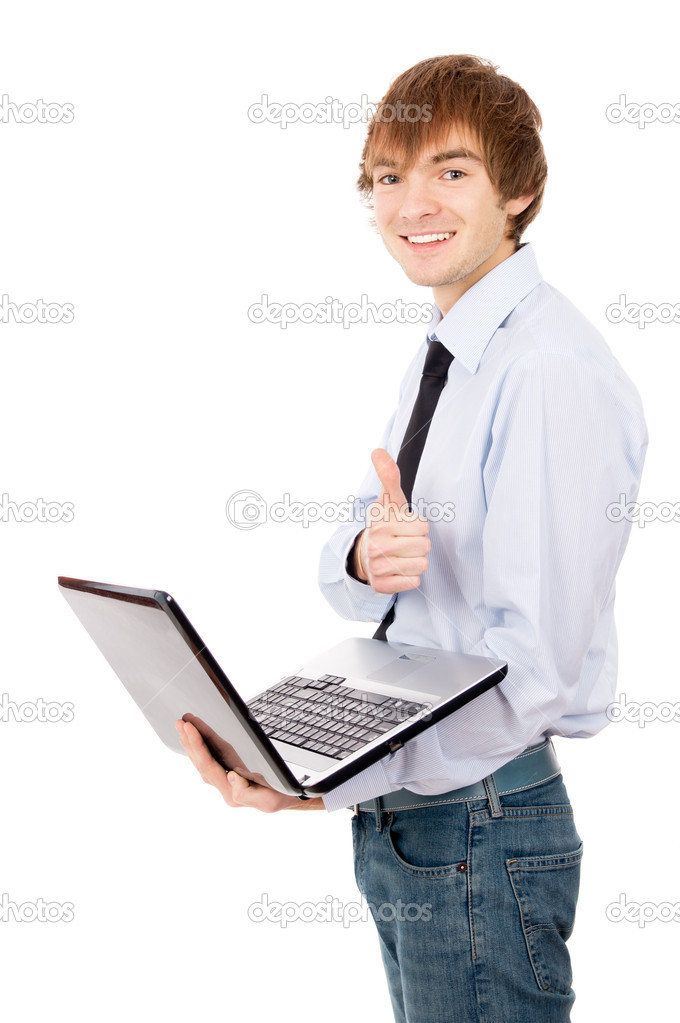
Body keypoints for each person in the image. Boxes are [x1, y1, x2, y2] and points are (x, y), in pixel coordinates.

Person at [176, 54, 648, 1022]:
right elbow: (349, 566)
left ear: (518, 190)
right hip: (426, 823)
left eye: (450, 170)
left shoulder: (543, 370)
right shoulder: (450, 352)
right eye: (388, 177)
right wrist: (364, 557)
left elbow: (537, 671)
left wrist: (335, 776)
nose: (410, 202)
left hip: (477, 820)